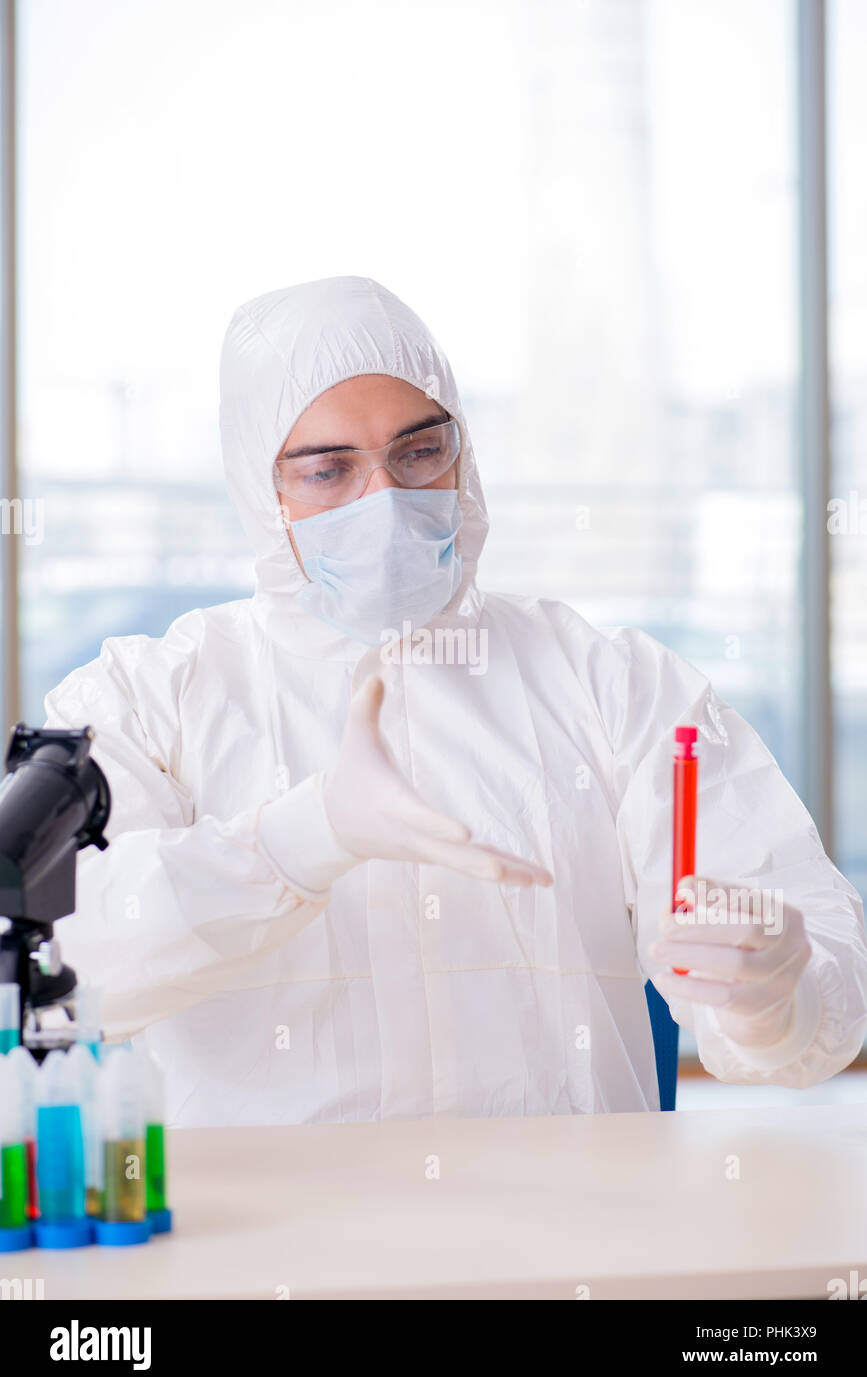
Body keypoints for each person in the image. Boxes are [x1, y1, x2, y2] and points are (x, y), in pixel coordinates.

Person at [44, 275, 867, 1127]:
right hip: (264, 1246)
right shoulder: (147, 698)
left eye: (418, 452)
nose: (386, 501)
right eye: (328, 469)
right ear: (265, 493)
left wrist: (775, 994)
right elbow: (66, 962)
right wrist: (299, 840)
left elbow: (802, 979)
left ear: (462, 454)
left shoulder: (607, 682)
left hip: (571, 1232)